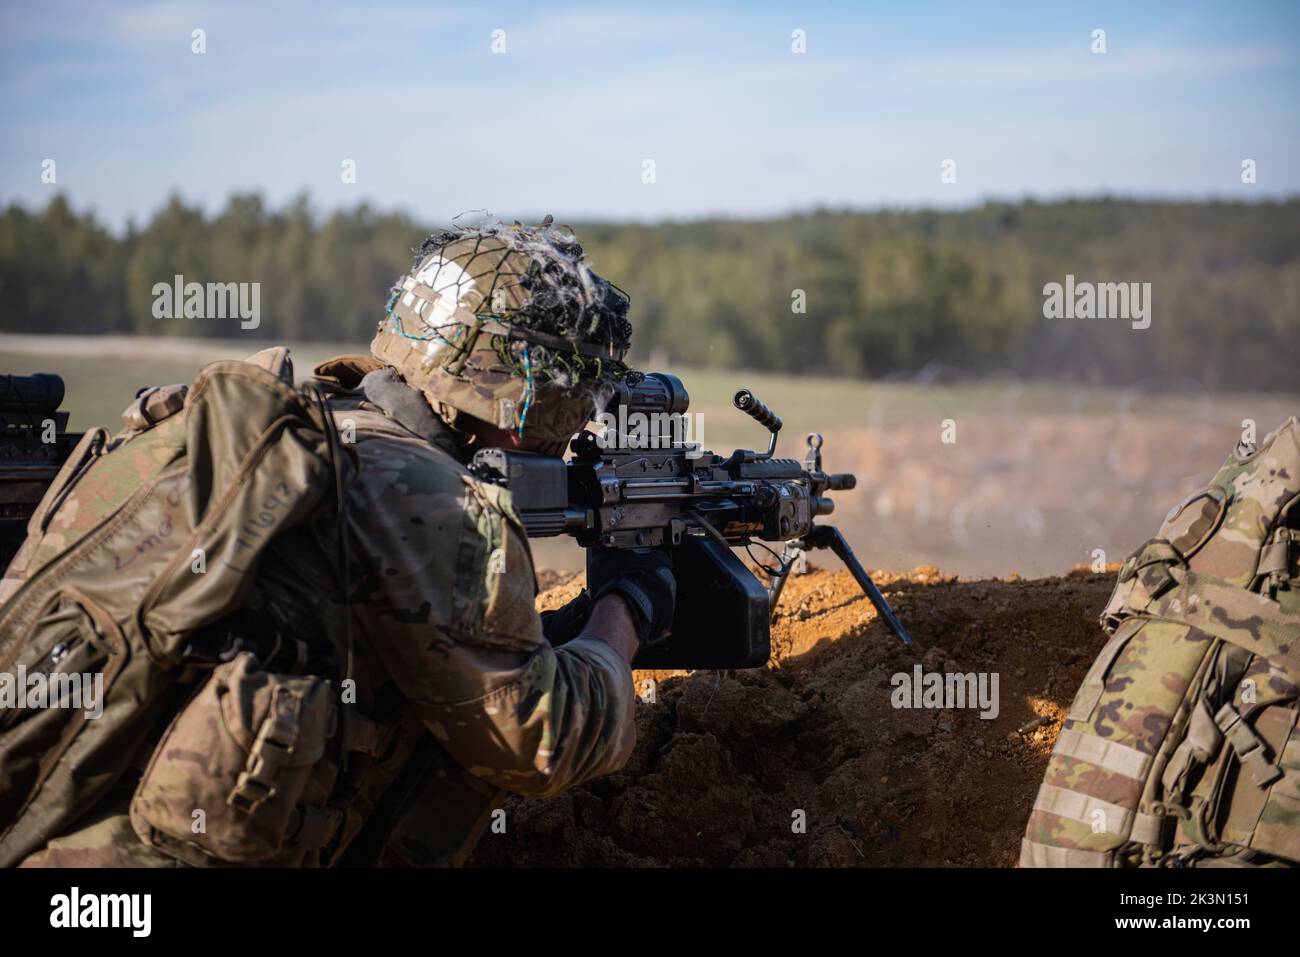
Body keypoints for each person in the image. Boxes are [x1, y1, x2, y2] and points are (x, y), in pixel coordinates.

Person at [5, 220, 675, 867]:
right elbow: (541, 740)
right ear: (533, 399)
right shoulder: (434, 496)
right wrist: (627, 604)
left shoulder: (299, 426)